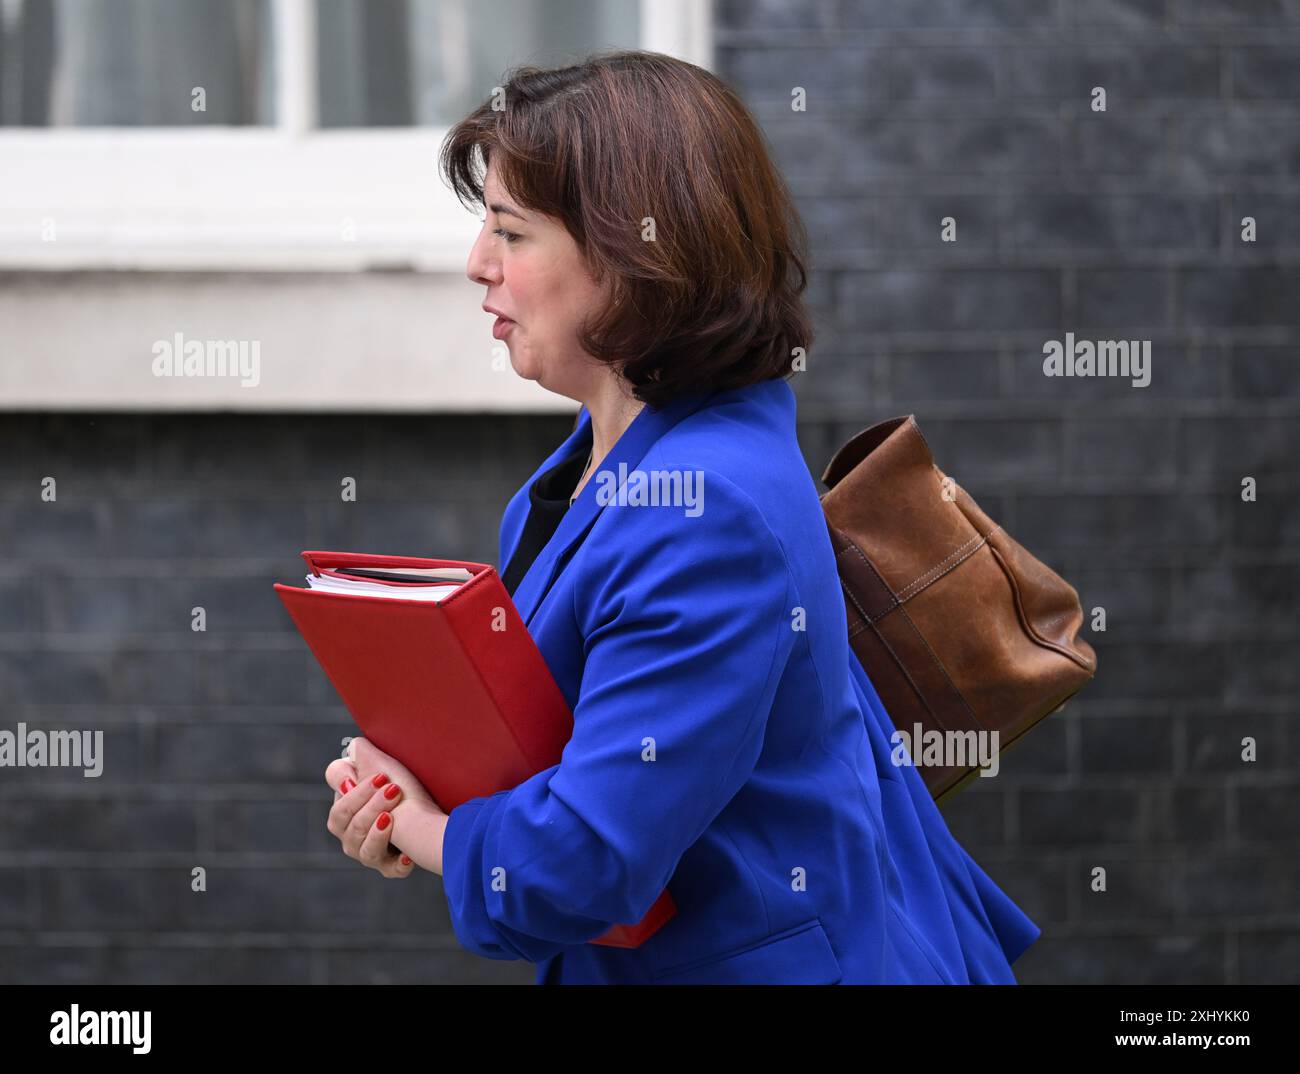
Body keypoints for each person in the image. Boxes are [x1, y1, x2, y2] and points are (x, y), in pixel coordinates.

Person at [322, 49, 1040, 985]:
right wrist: (423, 804)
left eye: (510, 231)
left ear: (633, 254)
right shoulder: (606, 456)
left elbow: (586, 866)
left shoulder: (702, 516)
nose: (476, 264)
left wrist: (429, 830)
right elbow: (569, 757)